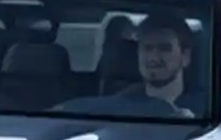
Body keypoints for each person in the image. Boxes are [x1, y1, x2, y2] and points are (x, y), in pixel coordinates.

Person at [55, 11, 205, 119]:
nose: (153, 58)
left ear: (185, 56)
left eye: (164, 48)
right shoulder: (122, 103)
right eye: (147, 48)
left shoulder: (208, 109)